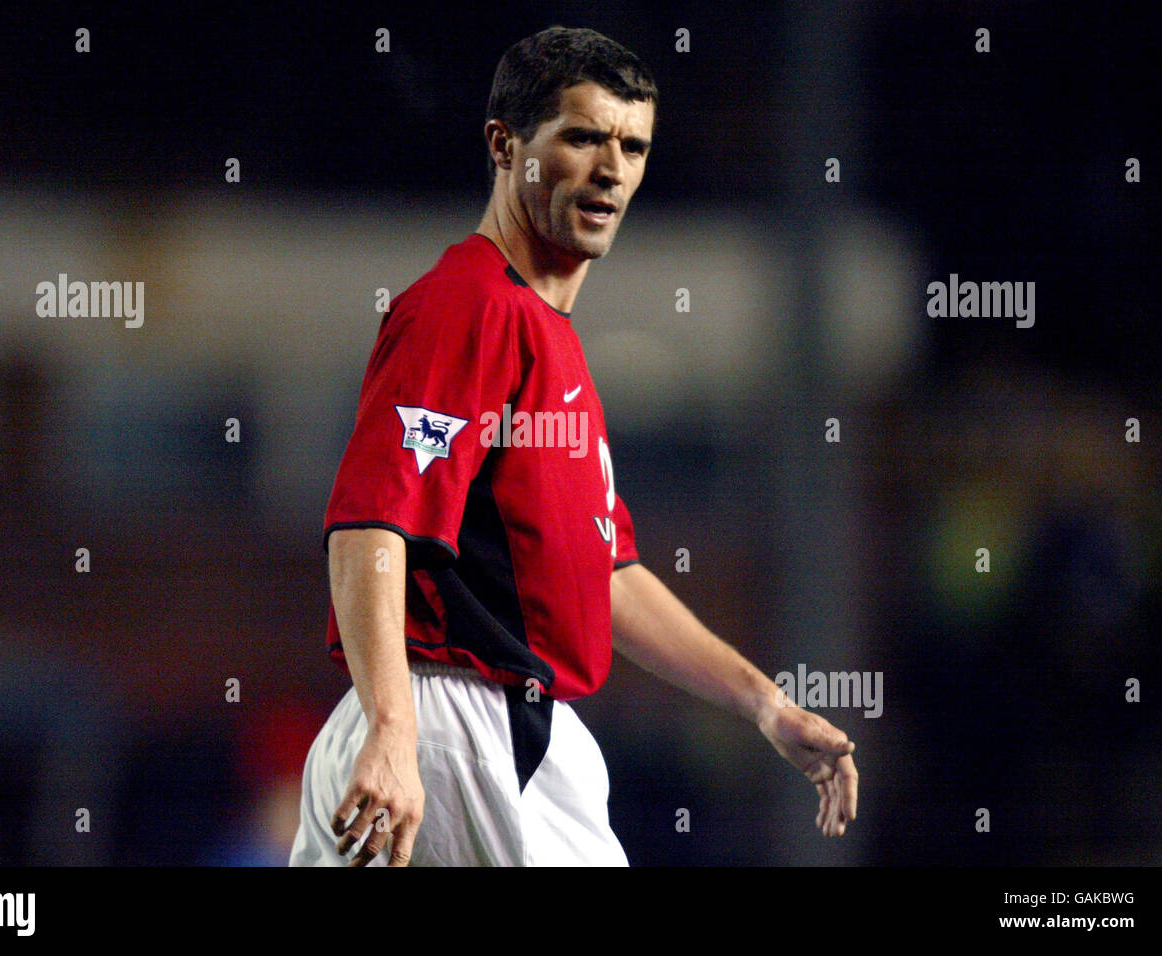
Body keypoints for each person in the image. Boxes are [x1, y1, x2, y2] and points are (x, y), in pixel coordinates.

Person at [290, 25, 858, 867]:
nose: (612, 168)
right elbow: (371, 527)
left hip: (472, 735)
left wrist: (765, 705)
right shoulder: (468, 306)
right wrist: (393, 731)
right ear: (504, 144)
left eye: (633, 145)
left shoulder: (545, 339)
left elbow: (610, 573)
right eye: (583, 137)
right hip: (458, 730)